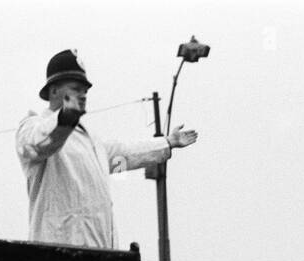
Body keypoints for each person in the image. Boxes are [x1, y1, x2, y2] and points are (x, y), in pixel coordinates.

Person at [16, 49, 199, 247]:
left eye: (84, 91)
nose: (83, 95)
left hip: (101, 259)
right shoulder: (33, 127)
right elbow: (39, 144)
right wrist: (65, 119)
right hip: (56, 256)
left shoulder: (94, 144)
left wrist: (168, 143)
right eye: (76, 88)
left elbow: (126, 155)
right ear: (53, 91)